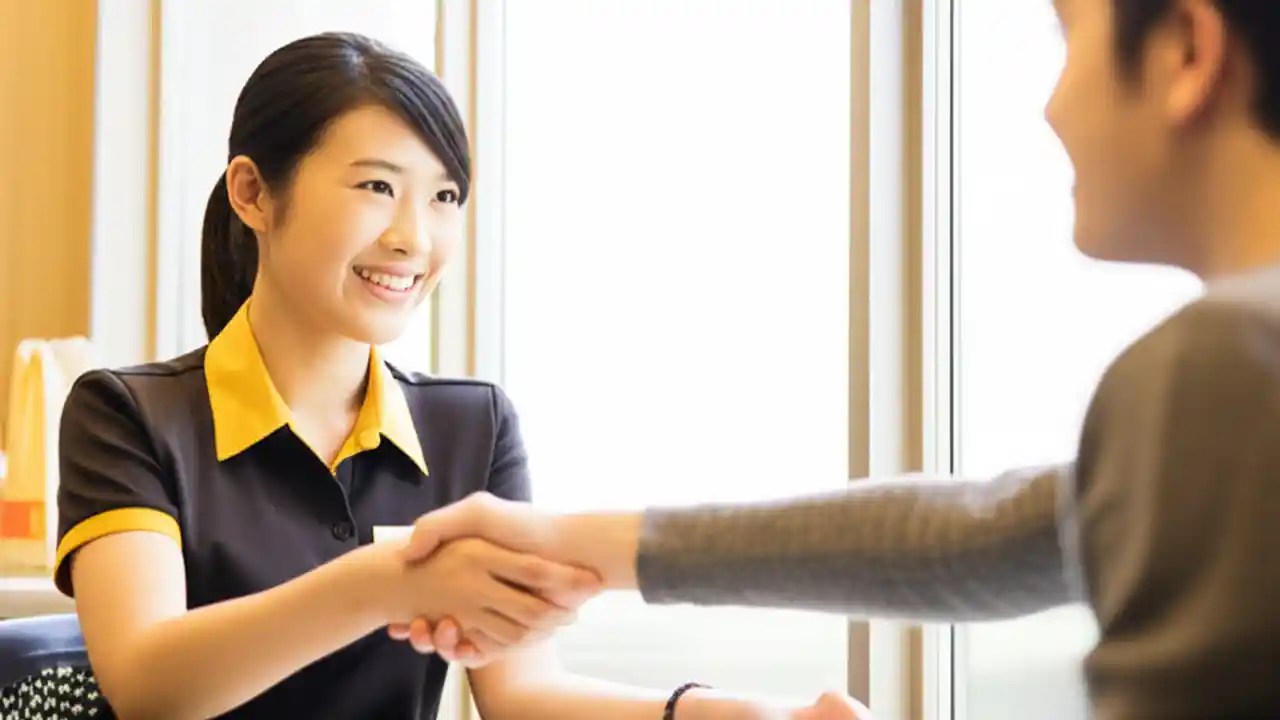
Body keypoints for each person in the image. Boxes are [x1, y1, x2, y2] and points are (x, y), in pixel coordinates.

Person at [393, 0, 1280, 717]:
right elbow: (989, 532)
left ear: (1188, 53)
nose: (1050, 104)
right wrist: (580, 546)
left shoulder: (1223, 359)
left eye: (1065, 32)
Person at [53, 32, 868, 720]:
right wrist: (385, 583)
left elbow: (523, 693)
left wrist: (728, 714)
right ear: (253, 192)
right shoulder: (127, 414)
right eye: (377, 186)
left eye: (444, 196)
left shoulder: (471, 429)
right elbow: (150, 682)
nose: (415, 238)